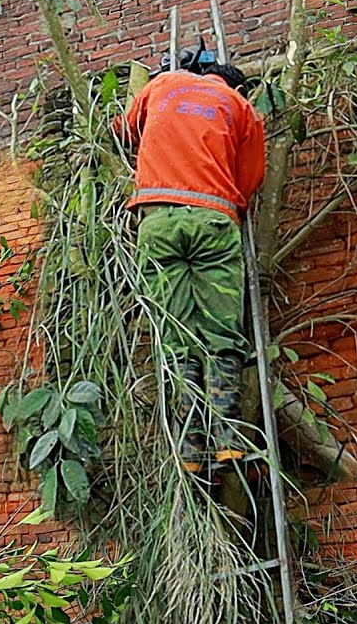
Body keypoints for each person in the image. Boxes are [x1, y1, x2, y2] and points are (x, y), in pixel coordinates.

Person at [114, 48, 267, 474]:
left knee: (178, 334)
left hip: (156, 221)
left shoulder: (159, 86)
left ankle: (189, 445)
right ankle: (227, 438)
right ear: (235, 84)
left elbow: (126, 132)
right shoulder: (240, 105)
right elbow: (251, 178)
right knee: (221, 331)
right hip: (213, 220)